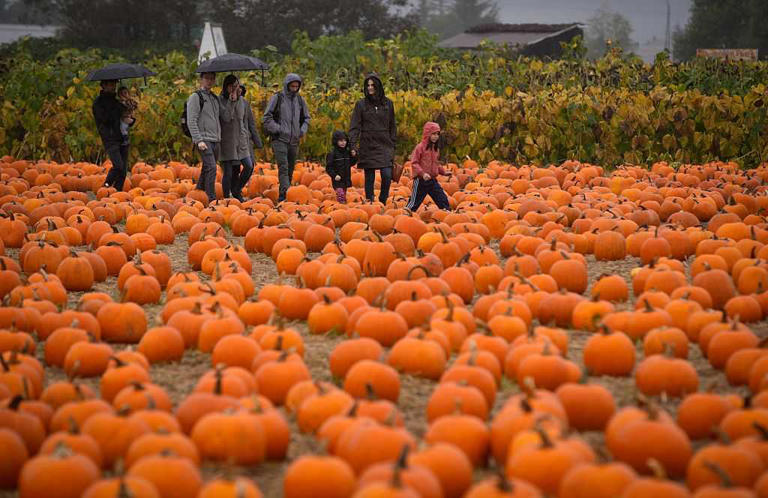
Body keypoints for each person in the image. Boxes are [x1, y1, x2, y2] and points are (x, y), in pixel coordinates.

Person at [262, 73, 311, 203]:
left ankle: (285, 194)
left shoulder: (299, 100)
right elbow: (267, 117)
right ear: (287, 85)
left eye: (296, 86)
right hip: (280, 139)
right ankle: (285, 195)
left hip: (294, 140)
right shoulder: (278, 98)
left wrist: (302, 130)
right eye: (292, 86)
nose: (294, 89)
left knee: (290, 168)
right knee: (283, 167)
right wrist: (278, 129)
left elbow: (306, 118)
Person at [349, 73, 396, 204]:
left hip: (384, 144)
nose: (370, 88)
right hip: (368, 144)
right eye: (368, 85)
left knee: (387, 175)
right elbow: (355, 126)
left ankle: (382, 200)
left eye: (372, 85)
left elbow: (392, 125)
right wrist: (353, 145)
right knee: (369, 177)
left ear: (378, 86)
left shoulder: (388, 104)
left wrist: (393, 143)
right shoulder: (361, 105)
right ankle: (370, 202)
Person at [186, 71, 231, 203]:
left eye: (212, 79)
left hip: (215, 140)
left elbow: (226, 117)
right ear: (201, 79)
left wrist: (231, 99)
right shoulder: (196, 97)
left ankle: (198, 193)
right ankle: (211, 199)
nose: (209, 81)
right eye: (207, 78)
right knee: (212, 167)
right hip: (204, 139)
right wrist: (198, 140)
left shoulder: (215, 98)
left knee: (207, 167)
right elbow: (191, 120)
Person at [218, 74, 251, 202]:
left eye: (237, 86)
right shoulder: (220, 100)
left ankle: (236, 190)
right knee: (228, 172)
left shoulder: (242, 101)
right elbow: (226, 118)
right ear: (226, 87)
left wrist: (247, 136)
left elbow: (244, 119)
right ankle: (227, 199)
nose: (235, 88)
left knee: (248, 166)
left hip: (240, 140)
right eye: (232, 86)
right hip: (227, 139)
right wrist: (231, 102)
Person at [405, 122, 451, 212]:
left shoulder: (435, 149)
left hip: (432, 180)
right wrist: (423, 174)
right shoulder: (420, 148)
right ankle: (406, 214)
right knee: (414, 203)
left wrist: (443, 172)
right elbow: (414, 163)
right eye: (433, 134)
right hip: (421, 180)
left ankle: (447, 212)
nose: (436, 136)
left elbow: (436, 164)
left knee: (442, 198)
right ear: (427, 134)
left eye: (437, 134)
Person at [92, 79, 129, 191]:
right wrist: (117, 109)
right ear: (103, 85)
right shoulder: (98, 103)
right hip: (109, 138)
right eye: (111, 84)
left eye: (114, 84)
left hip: (122, 137)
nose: (114, 87)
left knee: (123, 171)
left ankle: (118, 192)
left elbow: (125, 117)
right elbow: (105, 119)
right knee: (118, 166)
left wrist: (128, 107)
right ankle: (106, 187)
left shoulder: (117, 102)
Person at [238, 83, 263, 196]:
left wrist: (257, 141)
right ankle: (233, 191)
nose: (239, 92)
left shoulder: (245, 103)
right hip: (232, 140)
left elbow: (251, 123)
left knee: (250, 165)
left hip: (246, 139)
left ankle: (237, 187)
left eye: (241, 90)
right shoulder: (226, 102)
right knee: (234, 167)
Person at [326, 130, 357, 203]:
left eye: (344, 140)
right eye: (340, 141)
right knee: (341, 195)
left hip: (346, 178)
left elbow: (351, 163)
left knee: (344, 194)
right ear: (336, 141)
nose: (343, 143)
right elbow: (329, 167)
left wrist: (354, 156)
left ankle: (342, 205)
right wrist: (334, 175)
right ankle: (341, 205)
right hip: (337, 179)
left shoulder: (347, 152)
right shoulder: (332, 154)